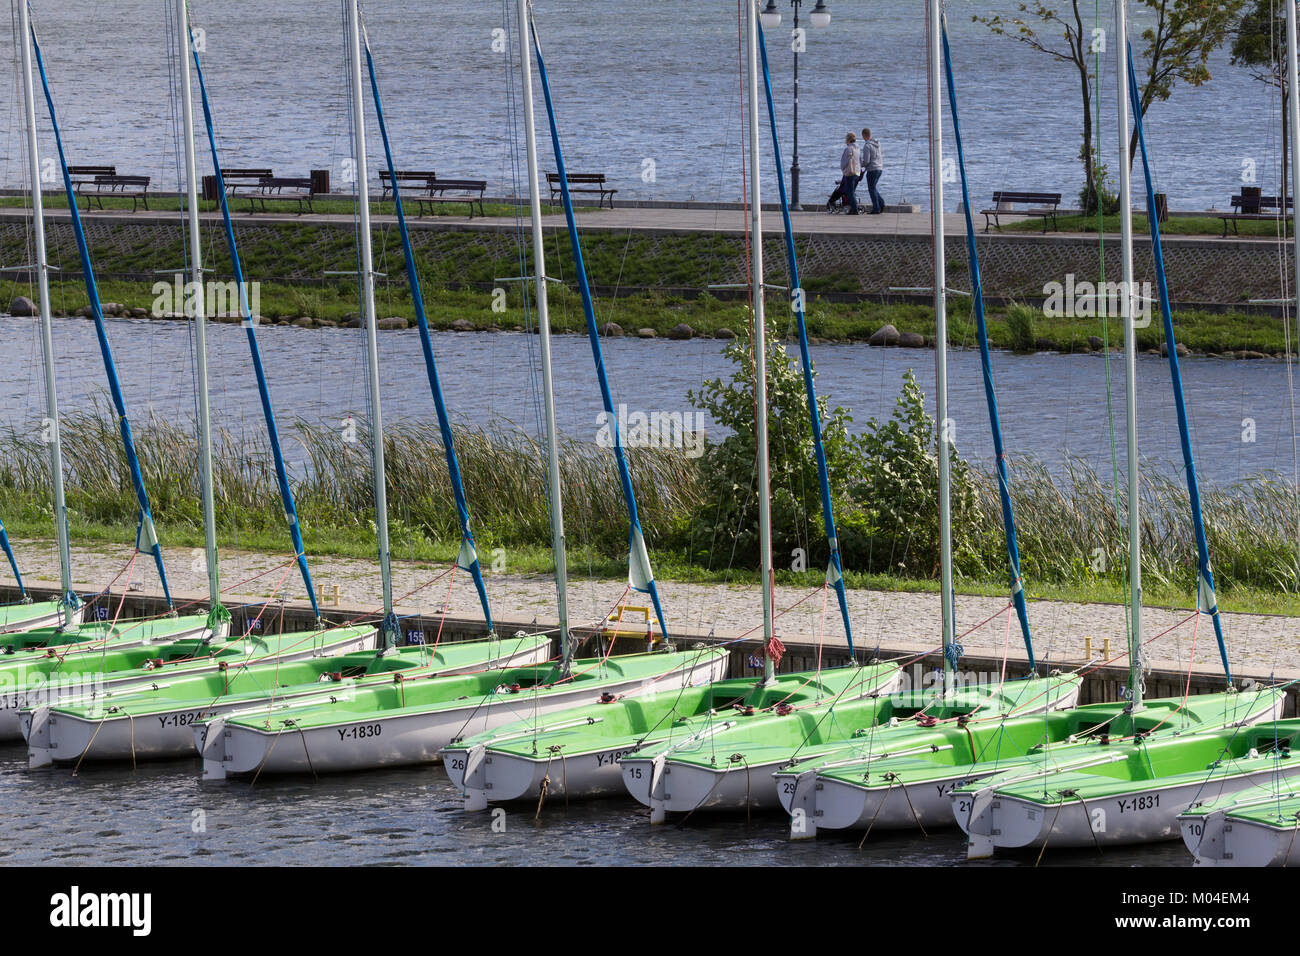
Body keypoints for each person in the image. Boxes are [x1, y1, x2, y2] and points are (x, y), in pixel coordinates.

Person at [832, 132, 860, 215]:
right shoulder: (858, 148)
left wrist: (843, 170)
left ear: (848, 139)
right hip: (857, 172)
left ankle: (854, 209)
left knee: (849, 191)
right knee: (851, 191)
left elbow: (844, 162)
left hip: (850, 172)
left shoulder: (848, 149)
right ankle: (854, 208)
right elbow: (860, 160)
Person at [860, 128, 884, 214]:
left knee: (871, 189)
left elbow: (866, 161)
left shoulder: (867, 146)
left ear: (864, 135)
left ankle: (876, 209)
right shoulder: (878, 143)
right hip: (879, 168)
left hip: (872, 169)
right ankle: (881, 203)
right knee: (873, 188)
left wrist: (859, 164)